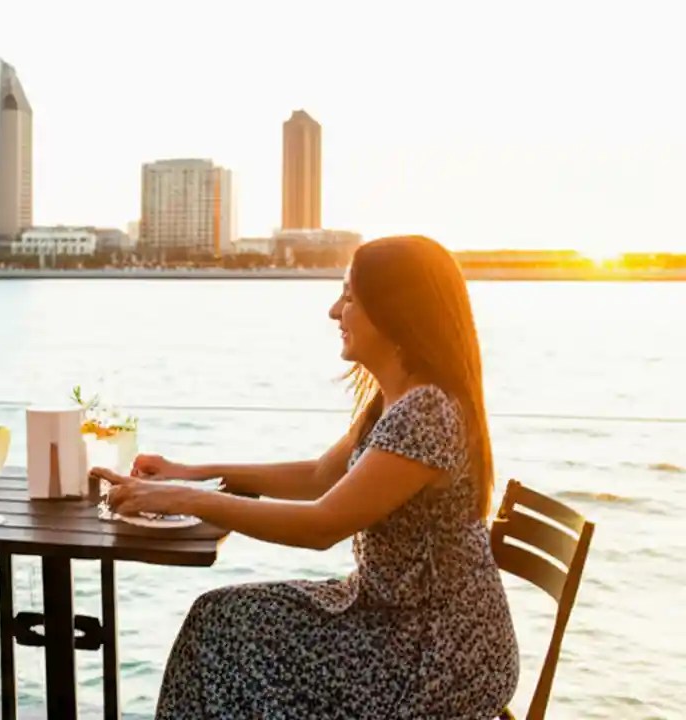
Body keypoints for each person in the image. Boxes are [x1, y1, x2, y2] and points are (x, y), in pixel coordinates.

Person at [93, 235, 520, 718]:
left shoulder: (426, 411)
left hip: (435, 652)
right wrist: (195, 473)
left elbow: (322, 525)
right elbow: (320, 476)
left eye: (350, 297)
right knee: (219, 622)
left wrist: (184, 500)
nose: (335, 311)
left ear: (395, 311)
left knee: (222, 633)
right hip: (388, 617)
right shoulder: (396, 399)